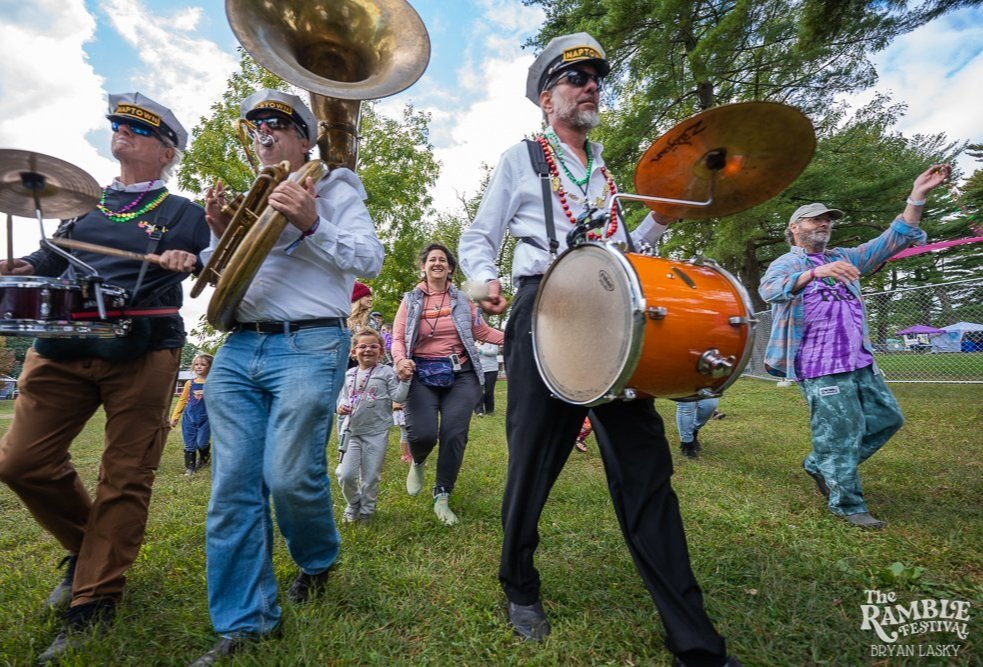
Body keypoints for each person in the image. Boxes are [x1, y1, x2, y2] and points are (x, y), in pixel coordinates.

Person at [458, 33, 740, 666]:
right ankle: (518, 584)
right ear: (546, 97)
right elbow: (479, 235)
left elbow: (623, 250)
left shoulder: (608, 171)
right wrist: (484, 279)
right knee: (533, 458)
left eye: (596, 78)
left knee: (646, 468)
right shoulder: (522, 159)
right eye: (576, 77)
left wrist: (660, 219)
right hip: (541, 310)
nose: (590, 86)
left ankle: (694, 639)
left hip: (614, 318)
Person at [0, 92, 208, 663]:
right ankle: (87, 547)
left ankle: (94, 599)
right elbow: (46, 265)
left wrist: (186, 260)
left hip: (143, 350)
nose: (123, 132)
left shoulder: (184, 212)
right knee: (20, 462)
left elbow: (205, 262)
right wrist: (19, 267)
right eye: (118, 125)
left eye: (138, 130)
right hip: (61, 347)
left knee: (125, 474)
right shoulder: (78, 209)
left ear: (167, 153)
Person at [190, 89, 383, 665]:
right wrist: (222, 236)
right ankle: (245, 621)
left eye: (275, 124)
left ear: (305, 137)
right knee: (232, 489)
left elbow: (369, 260)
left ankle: (317, 560)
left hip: (311, 343)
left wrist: (310, 223)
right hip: (237, 349)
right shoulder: (256, 194)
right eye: (254, 128)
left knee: (289, 475)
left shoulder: (338, 188)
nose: (262, 135)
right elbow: (215, 280)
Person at [758, 164, 950, 531]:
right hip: (819, 364)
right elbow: (769, 291)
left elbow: (894, 238)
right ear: (795, 228)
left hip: (859, 360)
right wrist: (813, 273)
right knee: (840, 433)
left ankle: (822, 465)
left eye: (828, 221)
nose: (824, 225)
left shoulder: (845, 257)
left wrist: (917, 195)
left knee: (887, 418)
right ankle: (847, 503)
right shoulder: (787, 262)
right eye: (815, 220)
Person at [392, 243, 504, 526]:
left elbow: (481, 331)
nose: (437, 263)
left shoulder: (464, 300)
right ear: (423, 266)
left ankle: (442, 494)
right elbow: (397, 337)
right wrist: (400, 360)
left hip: (460, 374)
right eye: (432, 259)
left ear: (451, 268)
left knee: (454, 432)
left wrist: (517, 335)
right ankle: (418, 461)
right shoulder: (410, 300)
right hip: (421, 372)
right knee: (424, 435)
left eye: (443, 260)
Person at [335, 329, 411, 522]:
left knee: (370, 477)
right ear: (353, 352)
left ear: (381, 351)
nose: (367, 349)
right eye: (362, 346)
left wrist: (406, 380)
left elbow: (398, 397)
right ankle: (353, 503)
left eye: (373, 346)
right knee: (345, 474)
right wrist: (340, 407)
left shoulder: (386, 372)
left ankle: (367, 510)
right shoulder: (349, 374)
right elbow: (342, 398)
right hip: (351, 432)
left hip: (376, 433)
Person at [170, 353, 214, 475]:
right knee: (189, 443)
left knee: (201, 442)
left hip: (206, 419)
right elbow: (182, 400)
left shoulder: (213, 383)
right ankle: (190, 467)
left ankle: (205, 458)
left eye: (203, 364)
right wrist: (175, 417)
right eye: (196, 364)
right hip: (189, 417)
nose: (199, 367)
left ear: (210, 367)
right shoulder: (190, 383)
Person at [473, 340, 500, 416]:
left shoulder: (492, 341)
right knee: (479, 390)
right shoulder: (476, 343)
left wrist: (481, 351)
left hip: (491, 369)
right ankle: (479, 411)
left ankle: (489, 410)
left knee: (489, 390)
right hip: (479, 369)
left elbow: (494, 352)